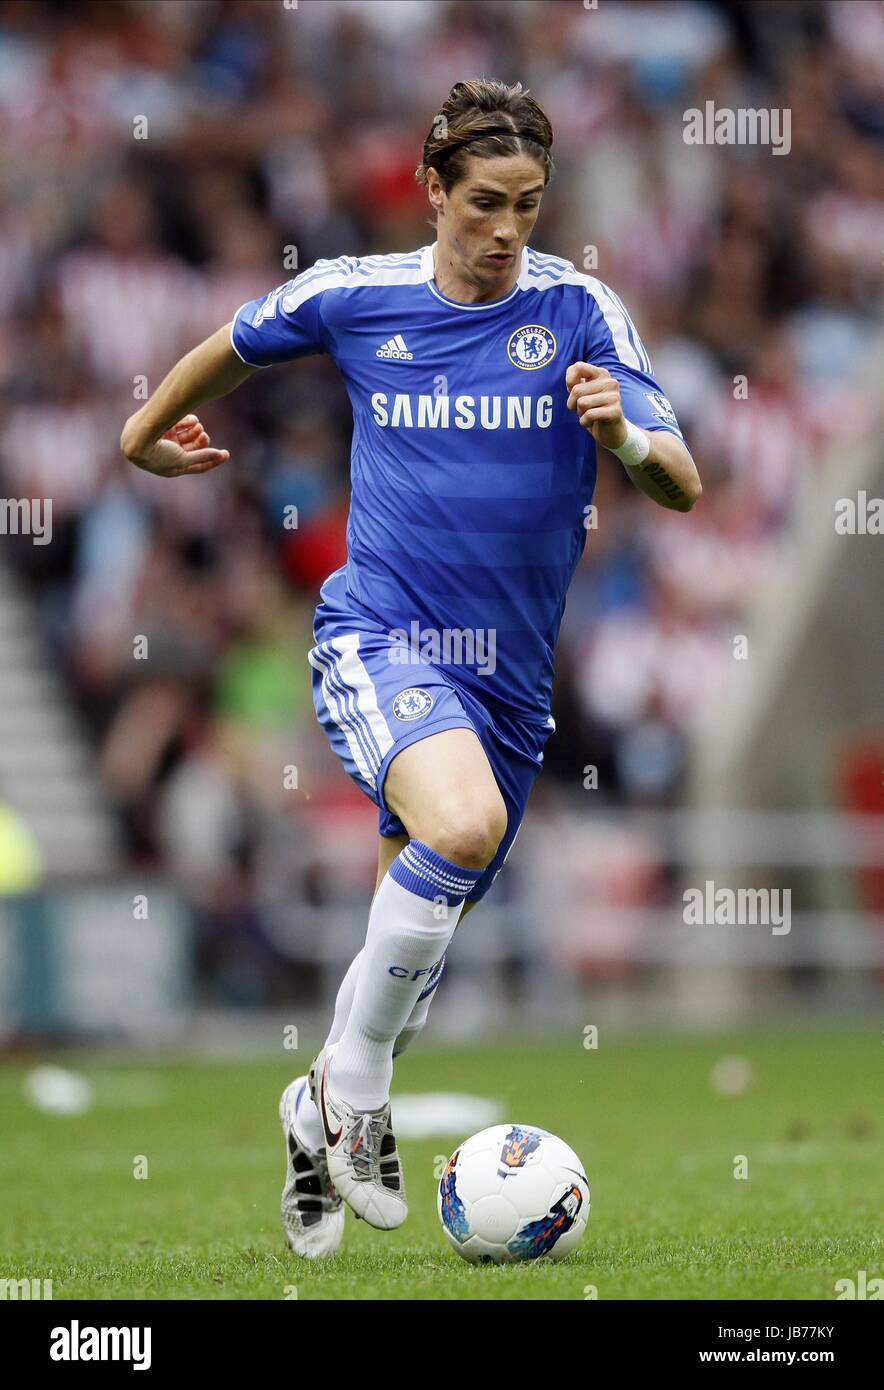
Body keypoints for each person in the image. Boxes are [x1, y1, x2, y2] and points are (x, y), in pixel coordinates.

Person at [120, 78, 701, 1258]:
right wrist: (142, 435)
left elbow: (681, 481)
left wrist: (625, 437)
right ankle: (359, 1093)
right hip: (380, 637)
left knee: (417, 938)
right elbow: (230, 343)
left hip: (507, 685)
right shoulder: (358, 294)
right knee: (469, 824)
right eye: (483, 202)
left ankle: (318, 1099)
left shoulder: (582, 312)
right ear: (432, 190)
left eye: (527, 208)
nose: (503, 231)